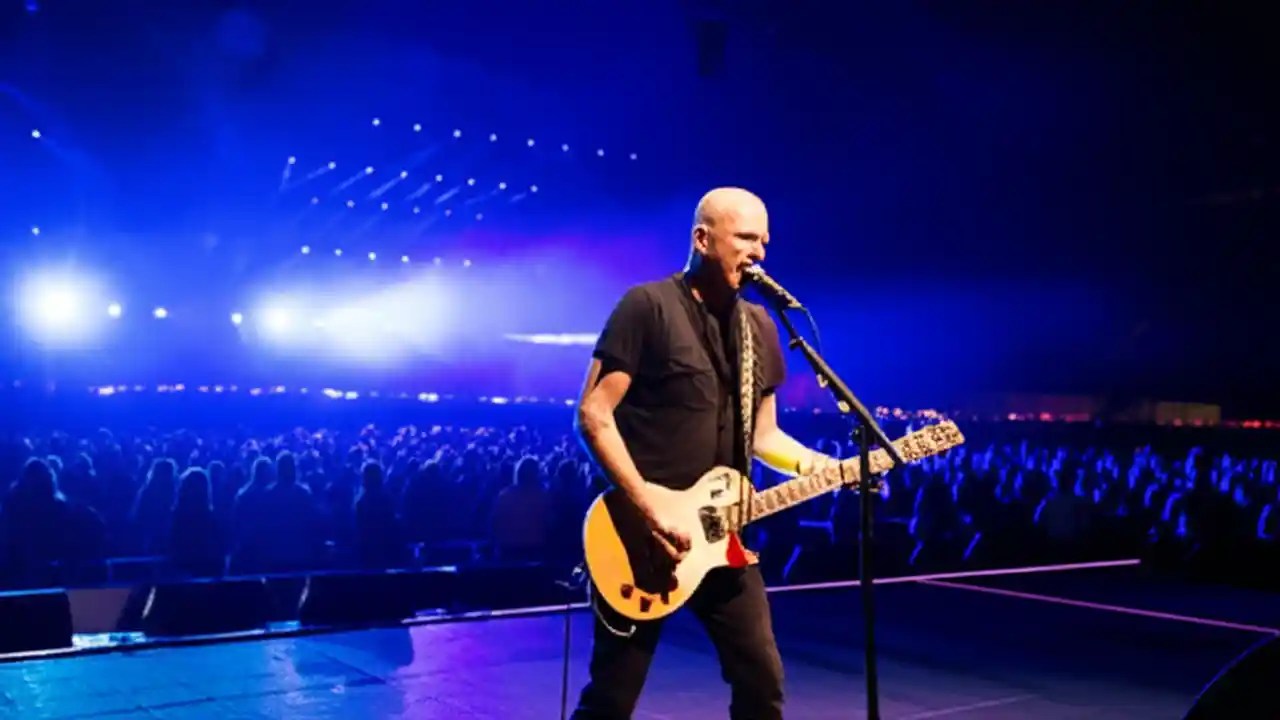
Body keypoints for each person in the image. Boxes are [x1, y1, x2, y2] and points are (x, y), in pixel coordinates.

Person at [571, 187, 836, 719]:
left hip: (723, 541)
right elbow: (593, 415)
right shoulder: (646, 307)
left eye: (763, 240)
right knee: (612, 699)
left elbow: (764, 437)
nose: (759, 251)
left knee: (762, 685)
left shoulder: (759, 327)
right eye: (745, 237)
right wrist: (649, 510)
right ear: (702, 238)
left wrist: (819, 467)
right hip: (642, 539)